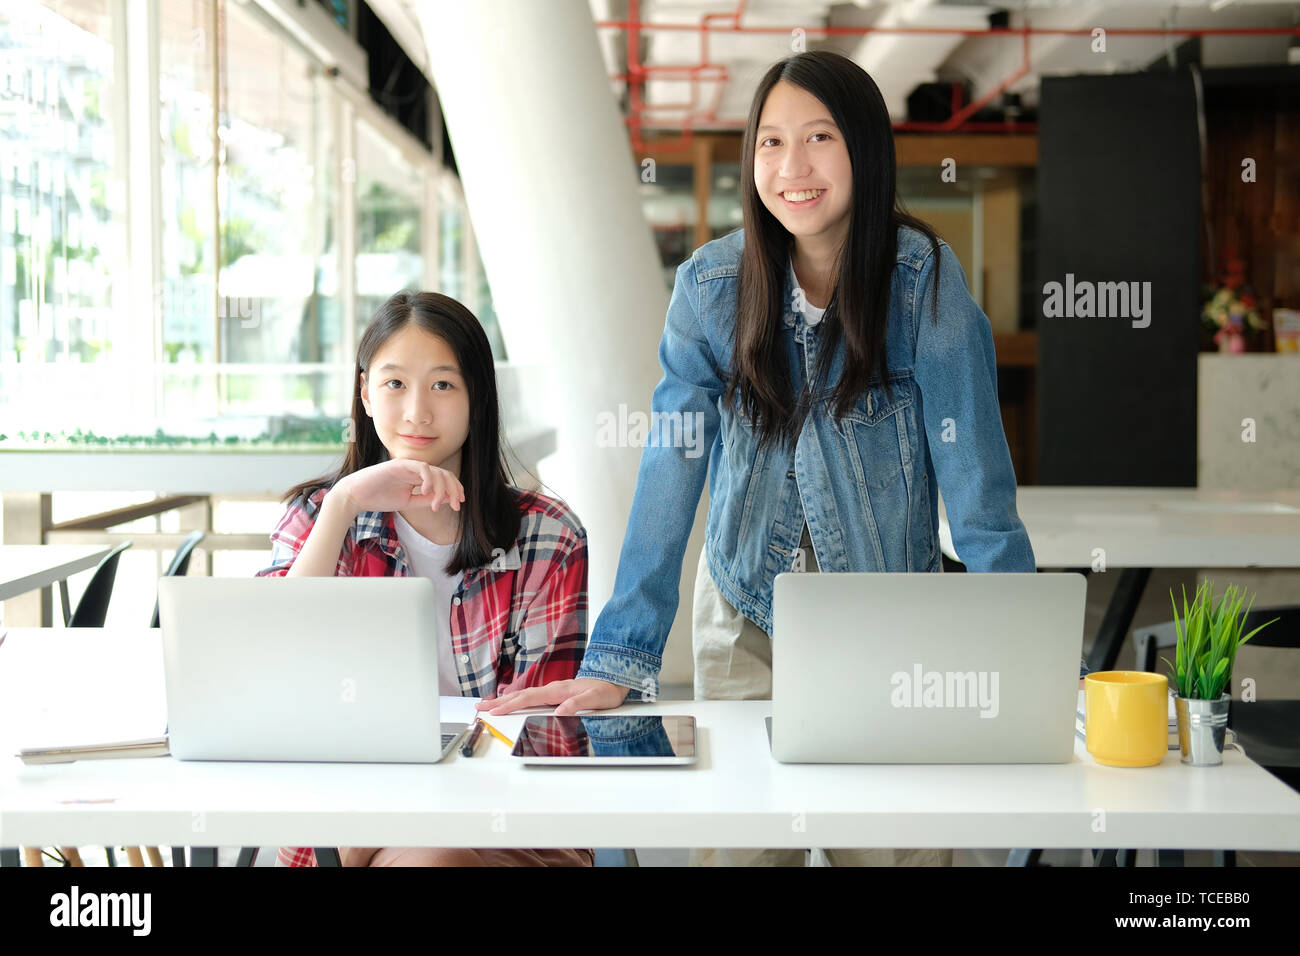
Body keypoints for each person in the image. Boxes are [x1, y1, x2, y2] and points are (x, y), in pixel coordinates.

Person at [482, 51, 1068, 866]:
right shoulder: (712, 289)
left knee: (896, 849)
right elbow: (673, 463)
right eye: (771, 141)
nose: (792, 167)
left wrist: (1023, 655)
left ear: (864, 148)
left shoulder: (923, 285)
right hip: (744, 610)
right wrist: (623, 655)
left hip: (889, 617)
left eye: (819, 137)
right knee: (749, 849)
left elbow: (976, 484)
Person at [255, 290, 591, 867]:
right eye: (393, 384)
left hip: (508, 820)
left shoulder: (548, 536)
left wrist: (400, 812)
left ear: (477, 398)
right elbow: (274, 674)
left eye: (442, 384)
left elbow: (538, 733)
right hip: (350, 810)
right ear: (364, 392)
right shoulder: (316, 516)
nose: (416, 412)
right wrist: (343, 505)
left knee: (430, 858)